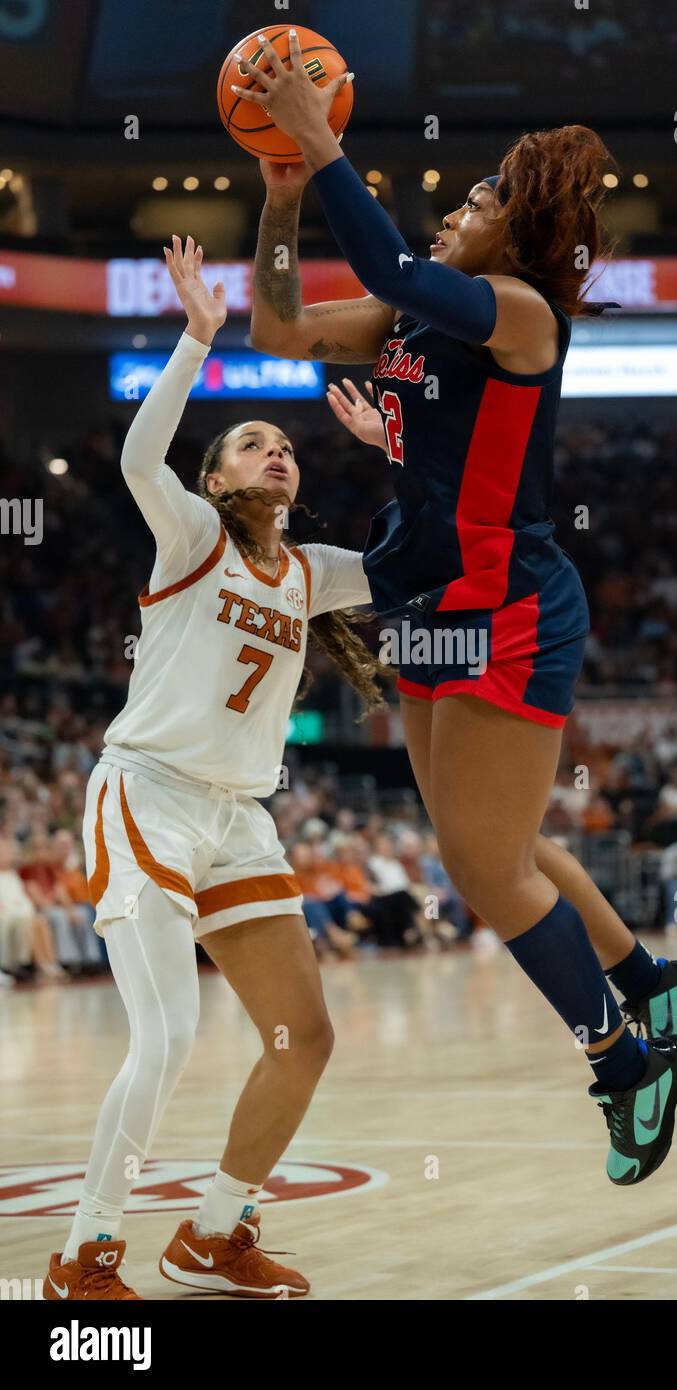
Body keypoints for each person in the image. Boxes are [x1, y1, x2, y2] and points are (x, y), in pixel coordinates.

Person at [239, 31, 677, 1185]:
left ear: (523, 232)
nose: (460, 200)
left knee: (482, 863)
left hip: (510, 603)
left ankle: (621, 1056)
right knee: (496, 848)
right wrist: (283, 199)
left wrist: (325, 140)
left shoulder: (517, 313)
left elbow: (401, 276)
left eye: (485, 193)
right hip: (429, 595)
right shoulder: (412, 324)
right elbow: (274, 327)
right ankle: (649, 980)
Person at [43, 235, 380, 1301]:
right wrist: (195, 338)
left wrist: (394, 445)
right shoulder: (191, 535)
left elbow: (431, 562)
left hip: (237, 818)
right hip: (146, 792)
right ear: (218, 477)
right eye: (249, 442)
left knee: (303, 1034)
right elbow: (140, 460)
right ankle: (82, 1254)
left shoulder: (312, 572)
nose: (273, 451)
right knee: (169, 1032)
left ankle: (212, 1234)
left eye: (283, 443)